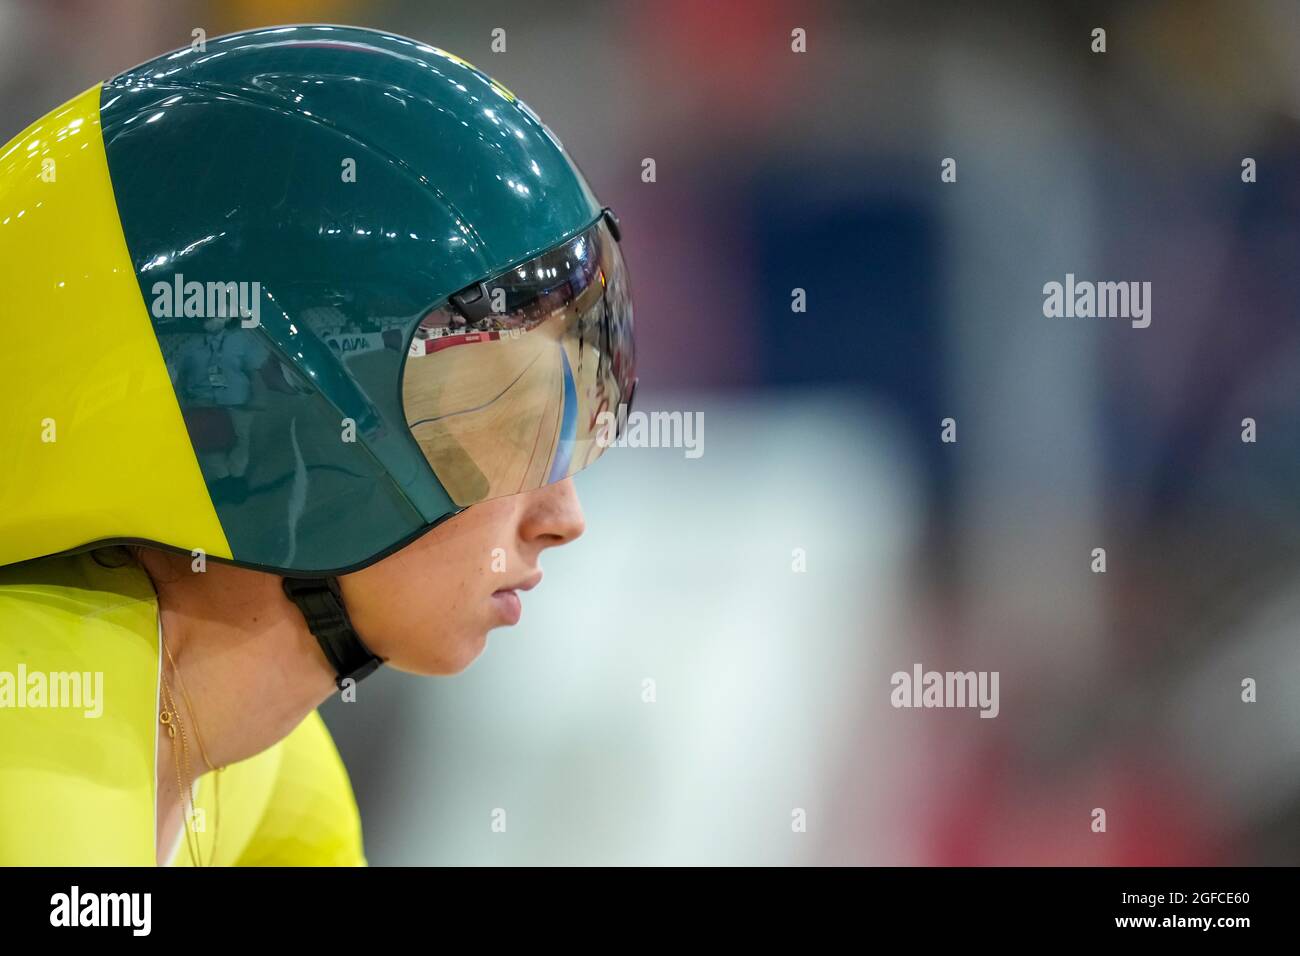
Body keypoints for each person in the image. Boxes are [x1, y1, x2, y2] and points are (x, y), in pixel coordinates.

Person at [0, 25, 636, 866]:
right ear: (275, 434)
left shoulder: (263, 763)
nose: (563, 516)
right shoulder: (32, 764)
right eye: (501, 428)